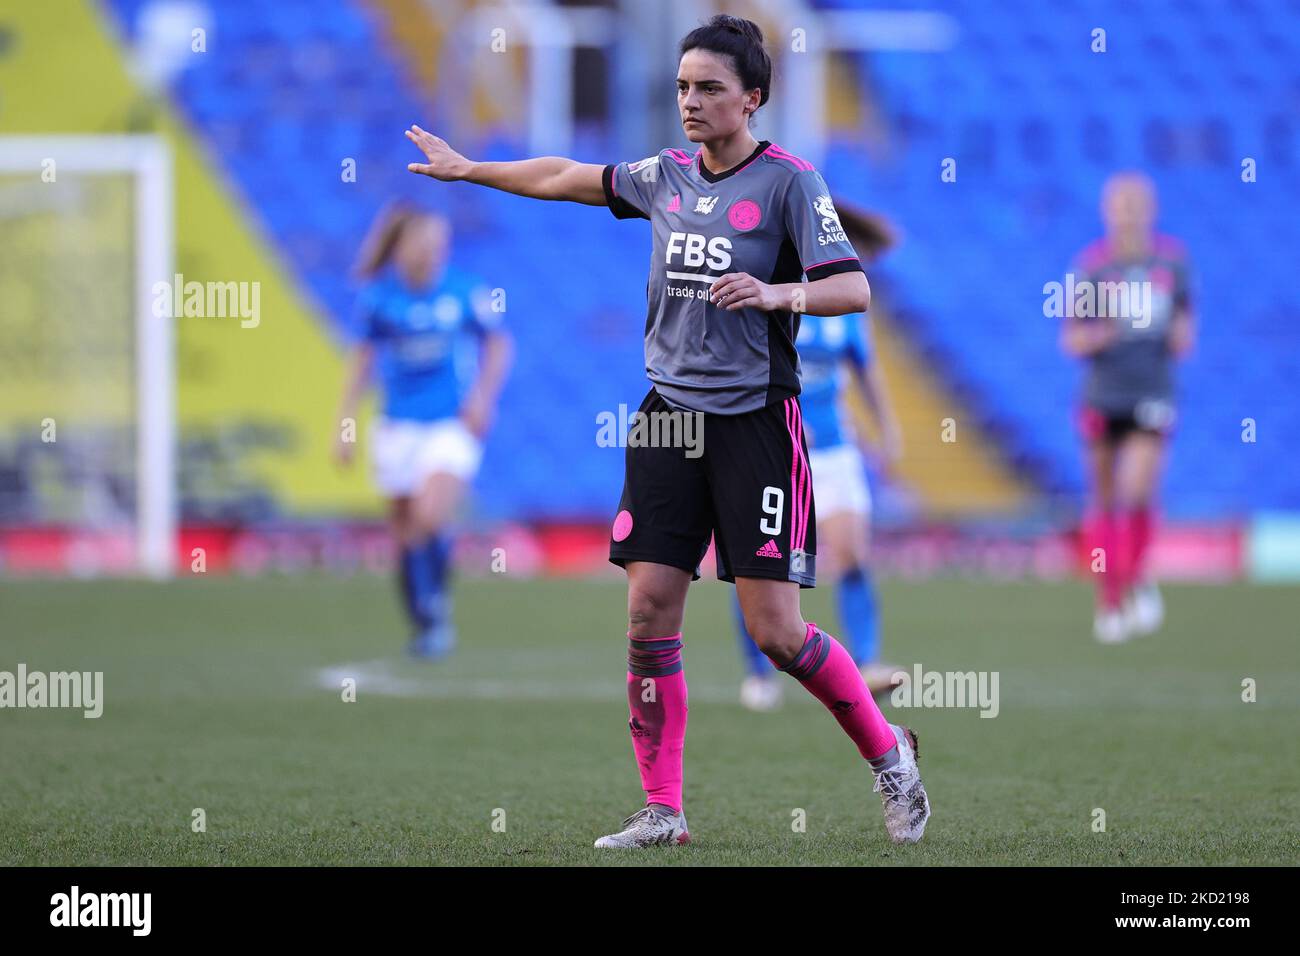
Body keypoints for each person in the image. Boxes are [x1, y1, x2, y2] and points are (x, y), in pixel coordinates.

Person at [406, 14, 930, 848]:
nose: (690, 101)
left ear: (753, 98)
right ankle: (663, 809)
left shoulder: (792, 184)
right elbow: (564, 176)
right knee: (649, 612)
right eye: (683, 86)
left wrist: (774, 294)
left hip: (757, 423)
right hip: (666, 419)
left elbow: (852, 289)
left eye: (710, 88)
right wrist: (472, 170)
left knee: (775, 632)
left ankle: (890, 755)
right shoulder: (664, 175)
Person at [736, 207, 904, 711]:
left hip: (832, 449)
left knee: (851, 552)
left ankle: (867, 662)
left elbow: (866, 371)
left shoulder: (844, 309)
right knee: (763, 563)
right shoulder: (775, 290)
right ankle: (759, 674)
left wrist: (887, 429)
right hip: (774, 450)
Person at [335, 203, 513, 658]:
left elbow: (497, 343)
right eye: (426, 243)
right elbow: (362, 360)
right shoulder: (380, 298)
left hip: (448, 424)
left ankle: (435, 609)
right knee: (403, 532)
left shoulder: (462, 291)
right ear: (402, 246)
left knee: (429, 516)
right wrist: (345, 422)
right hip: (396, 425)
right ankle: (425, 621)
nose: (435, 251)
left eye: (441, 243)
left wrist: (482, 398)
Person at [1061, 172, 1194, 644]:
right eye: (1120, 205)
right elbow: (1072, 339)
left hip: (1151, 391)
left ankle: (1134, 577)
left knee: (1135, 489)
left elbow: (1184, 329)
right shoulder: (1094, 269)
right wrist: (1108, 332)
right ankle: (1109, 597)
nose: (1128, 213)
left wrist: (1176, 334)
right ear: (1107, 212)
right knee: (1103, 497)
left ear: (1150, 211)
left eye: (1137, 204)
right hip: (1103, 393)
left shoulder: (1171, 264)